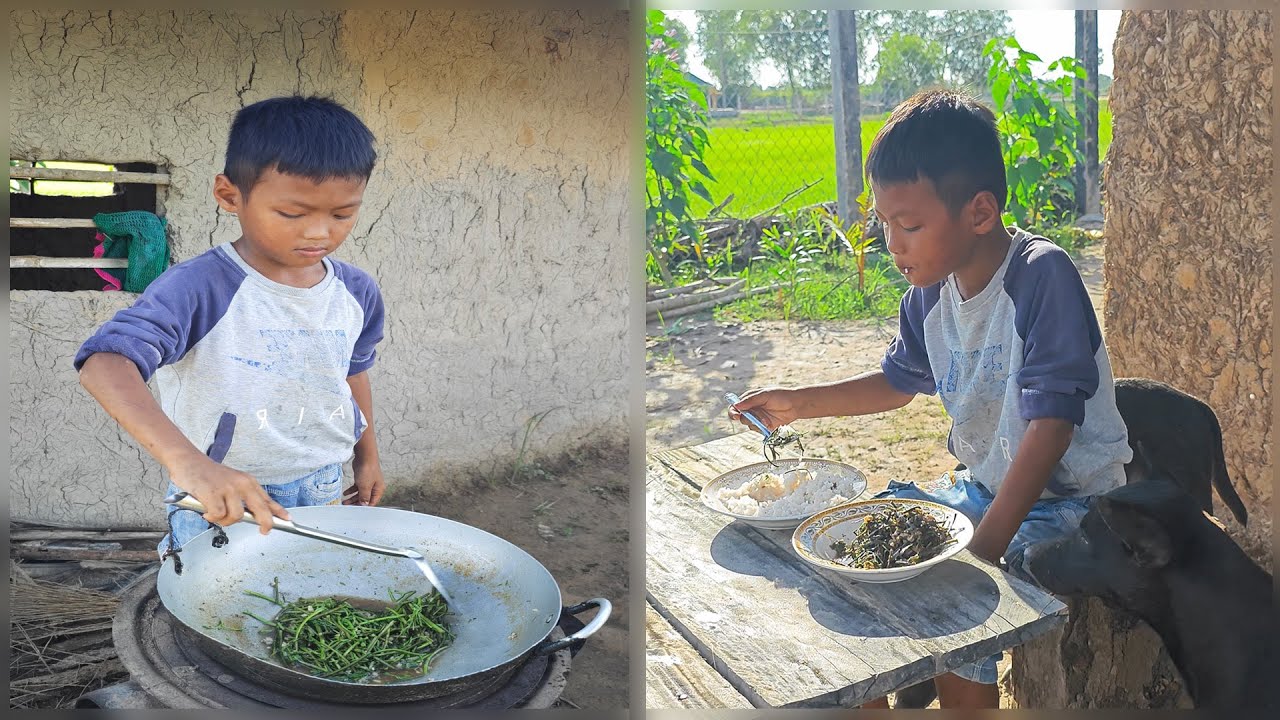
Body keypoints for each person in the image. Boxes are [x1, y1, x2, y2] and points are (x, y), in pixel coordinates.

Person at [730, 89, 1131, 709]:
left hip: (1070, 501)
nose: (893, 244)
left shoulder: (1040, 275)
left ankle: (958, 697)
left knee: (957, 597)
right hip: (984, 486)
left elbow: (1050, 428)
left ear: (979, 213)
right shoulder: (928, 293)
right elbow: (898, 383)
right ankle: (884, 690)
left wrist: (983, 551)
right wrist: (798, 402)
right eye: (885, 225)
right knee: (862, 537)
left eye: (909, 226)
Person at [75, 95, 387, 556]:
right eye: (293, 214)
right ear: (229, 196)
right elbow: (103, 364)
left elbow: (349, 372)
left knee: (305, 598)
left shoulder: (356, 291)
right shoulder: (199, 287)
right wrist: (191, 466)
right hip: (220, 495)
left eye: (342, 214)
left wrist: (367, 457)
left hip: (321, 478)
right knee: (217, 605)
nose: (320, 233)